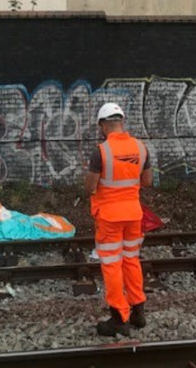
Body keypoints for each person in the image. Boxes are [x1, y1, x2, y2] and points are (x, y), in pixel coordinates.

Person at [85, 102, 153, 336]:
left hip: (110, 217)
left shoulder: (101, 151)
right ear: (121, 122)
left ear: (103, 125)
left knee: (112, 265)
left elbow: (90, 186)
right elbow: (147, 182)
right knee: (131, 260)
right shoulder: (141, 148)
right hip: (134, 214)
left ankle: (119, 318)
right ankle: (138, 312)